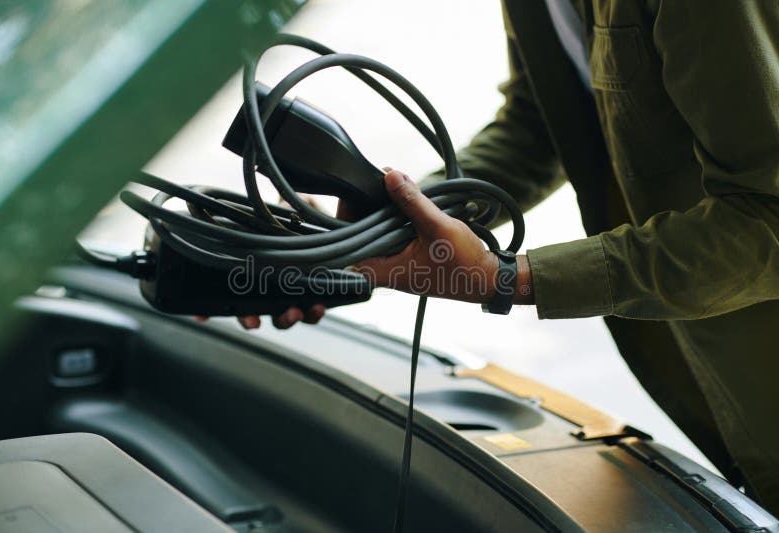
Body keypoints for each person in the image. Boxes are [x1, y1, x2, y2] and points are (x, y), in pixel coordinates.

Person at [238, 0, 779, 513]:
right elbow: (540, 123)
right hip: (712, 387)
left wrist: (509, 279)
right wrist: (365, 234)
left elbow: (768, 218)